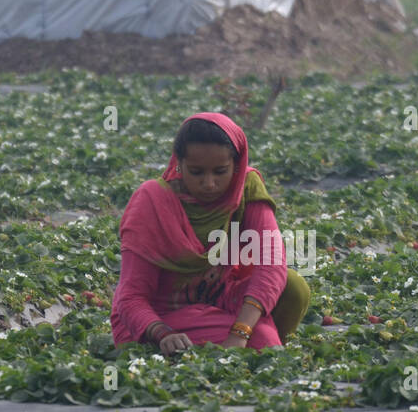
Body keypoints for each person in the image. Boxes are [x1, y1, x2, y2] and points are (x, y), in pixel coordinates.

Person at [111, 112, 311, 352]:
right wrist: (162, 333)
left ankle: (252, 336)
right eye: (196, 172)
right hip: (162, 315)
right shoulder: (152, 201)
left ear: (236, 167)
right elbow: (131, 296)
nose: (208, 183)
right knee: (256, 348)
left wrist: (240, 331)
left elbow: (271, 264)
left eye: (220, 171)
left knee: (291, 290)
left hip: (220, 299)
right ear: (179, 164)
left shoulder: (246, 189)